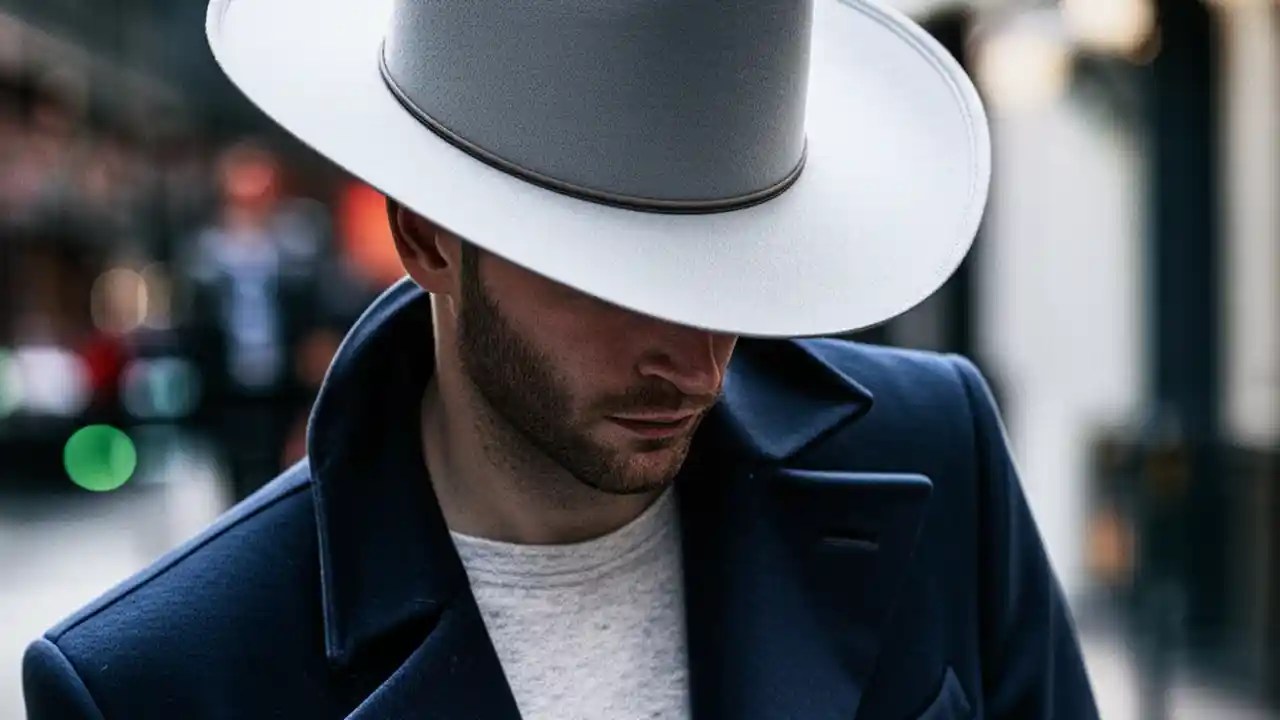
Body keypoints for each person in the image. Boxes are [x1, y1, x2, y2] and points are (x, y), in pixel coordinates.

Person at [23, 1, 1099, 718]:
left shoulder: (931, 450)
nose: (697, 358)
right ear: (427, 237)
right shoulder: (161, 681)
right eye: (615, 276)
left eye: (732, 269)